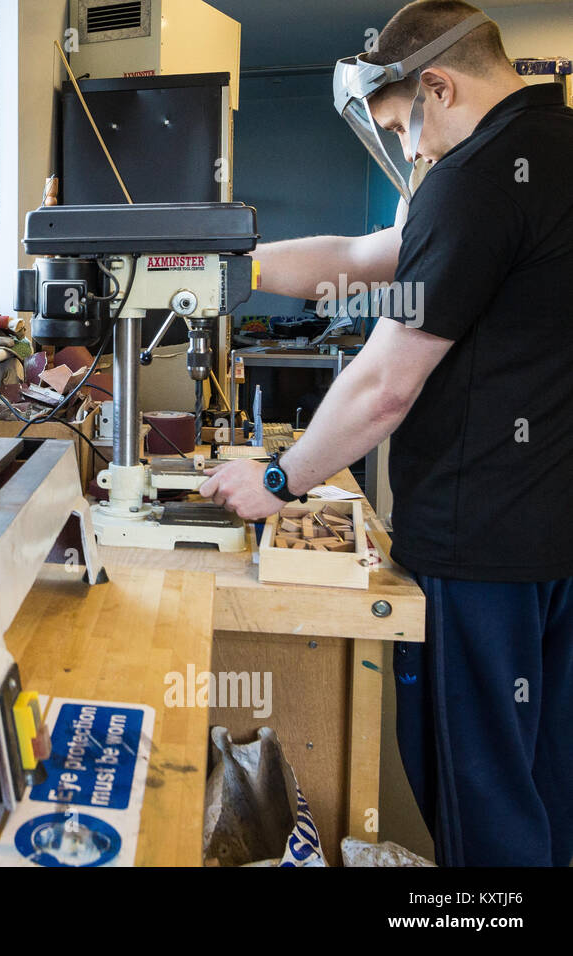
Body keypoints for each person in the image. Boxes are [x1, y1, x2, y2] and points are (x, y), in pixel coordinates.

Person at [200, 0, 573, 866]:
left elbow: (380, 388)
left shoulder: (476, 174)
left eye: (406, 125)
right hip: (553, 537)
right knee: (546, 779)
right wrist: (234, 264)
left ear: (439, 84)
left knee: (478, 795)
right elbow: (373, 253)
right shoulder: (548, 152)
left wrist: (280, 479)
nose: (412, 150)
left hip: (482, 544)